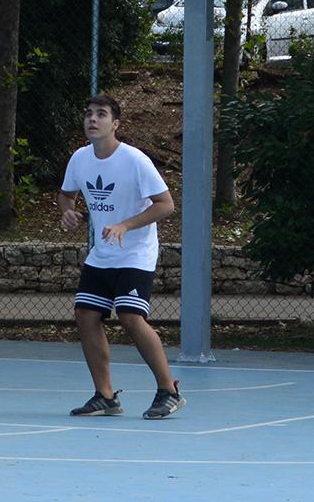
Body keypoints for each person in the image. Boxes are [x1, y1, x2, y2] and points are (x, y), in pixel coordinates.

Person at [58, 94, 185, 420]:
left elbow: (166, 204)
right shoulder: (80, 160)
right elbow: (65, 195)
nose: (92, 119)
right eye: (89, 114)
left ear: (115, 124)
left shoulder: (135, 161)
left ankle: (168, 391)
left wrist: (126, 225)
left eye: (101, 114)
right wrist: (68, 212)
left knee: (130, 317)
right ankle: (105, 396)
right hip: (102, 255)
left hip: (136, 254)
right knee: (86, 316)